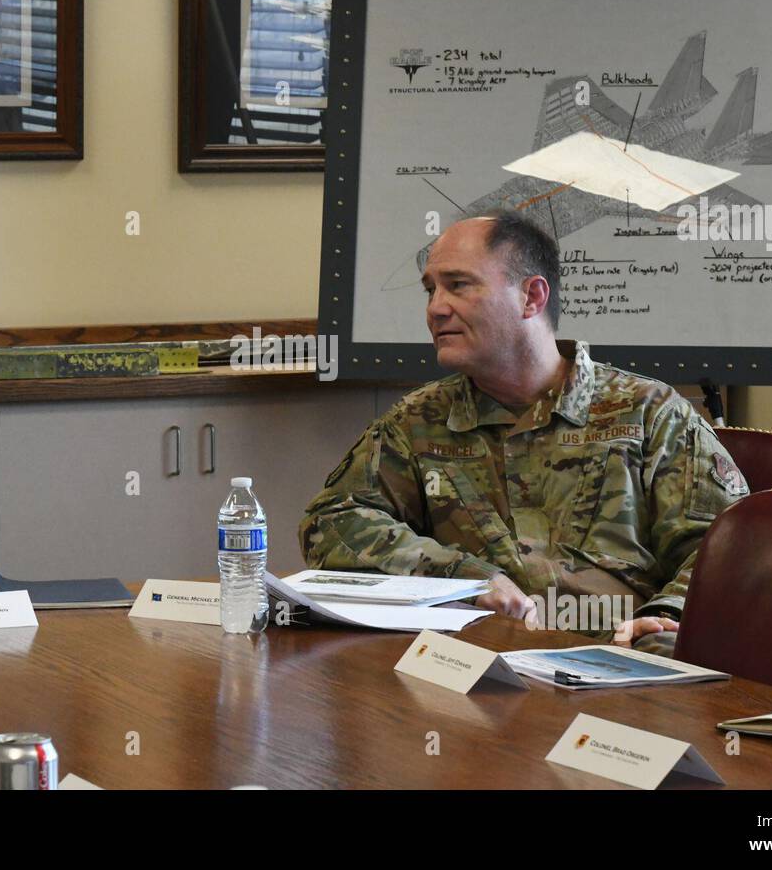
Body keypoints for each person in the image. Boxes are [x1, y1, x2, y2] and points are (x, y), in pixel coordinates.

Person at [298, 212, 748, 654]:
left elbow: (729, 548)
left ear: (531, 296)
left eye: (458, 285)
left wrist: (667, 614)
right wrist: (465, 577)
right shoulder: (419, 423)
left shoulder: (647, 413)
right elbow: (331, 523)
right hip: (477, 667)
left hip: (618, 664)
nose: (435, 308)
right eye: (431, 289)